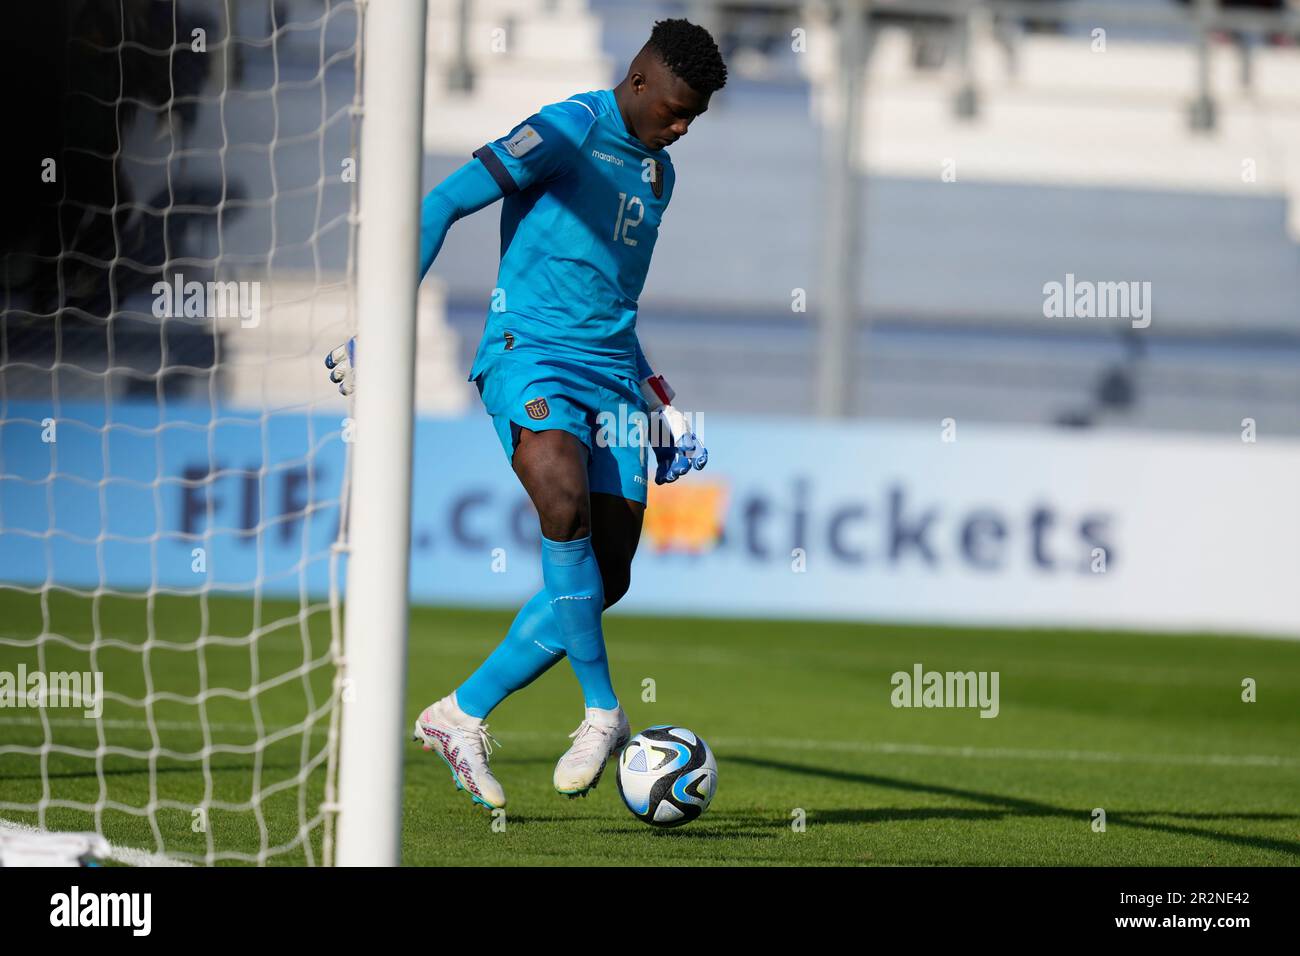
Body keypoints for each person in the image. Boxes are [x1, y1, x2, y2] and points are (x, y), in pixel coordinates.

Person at [326, 19, 727, 809]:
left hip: (614, 376)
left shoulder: (659, 176)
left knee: (609, 572)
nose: (681, 127)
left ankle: (459, 714)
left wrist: (657, 400)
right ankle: (602, 709)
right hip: (529, 348)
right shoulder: (566, 128)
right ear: (640, 80)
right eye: (675, 109)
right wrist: (379, 322)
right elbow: (441, 202)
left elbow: (613, 300)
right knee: (561, 500)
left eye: (694, 119)